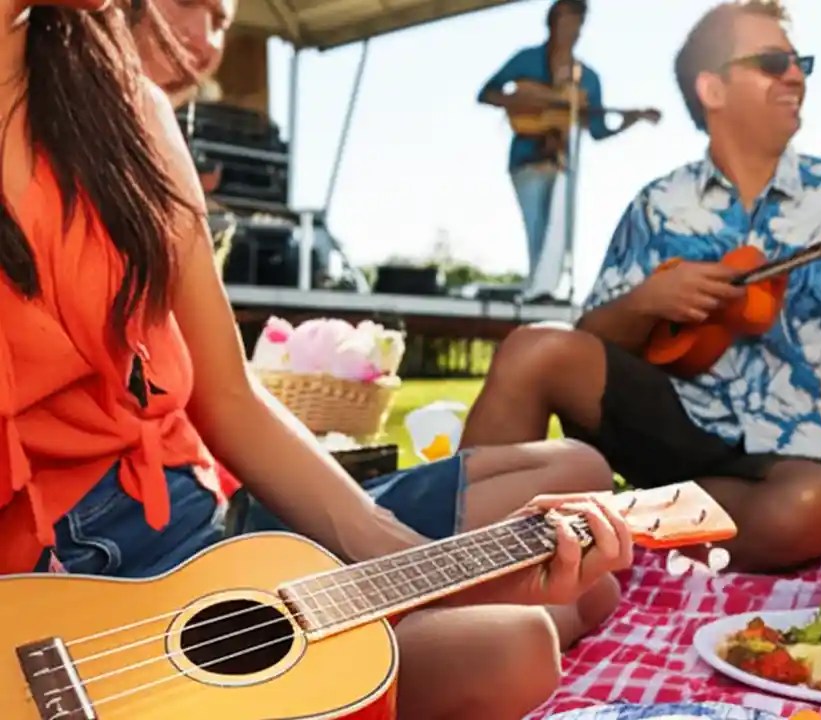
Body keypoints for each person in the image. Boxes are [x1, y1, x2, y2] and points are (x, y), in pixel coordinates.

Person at [0, 1, 633, 718]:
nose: (207, 38)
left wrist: (421, 572)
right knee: (513, 643)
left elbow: (228, 395)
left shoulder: (125, 106)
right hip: (40, 580)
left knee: (521, 635)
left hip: (187, 526)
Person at [460, 0, 821, 574]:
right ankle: (460, 552)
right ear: (712, 89)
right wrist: (646, 302)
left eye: (799, 61)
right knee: (532, 349)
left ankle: (597, 526)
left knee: (806, 510)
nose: (795, 75)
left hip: (795, 460)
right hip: (671, 429)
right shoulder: (658, 204)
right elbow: (589, 339)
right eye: (772, 61)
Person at [477, 0, 660, 301]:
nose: (571, 29)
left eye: (577, 23)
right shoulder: (526, 60)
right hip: (527, 158)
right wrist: (526, 103)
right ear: (552, 21)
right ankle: (539, 290)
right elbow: (486, 93)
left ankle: (547, 290)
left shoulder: (586, 77)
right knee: (538, 231)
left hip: (563, 162)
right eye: (566, 20)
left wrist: (631, 120)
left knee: (559, 230)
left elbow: (598, 130)